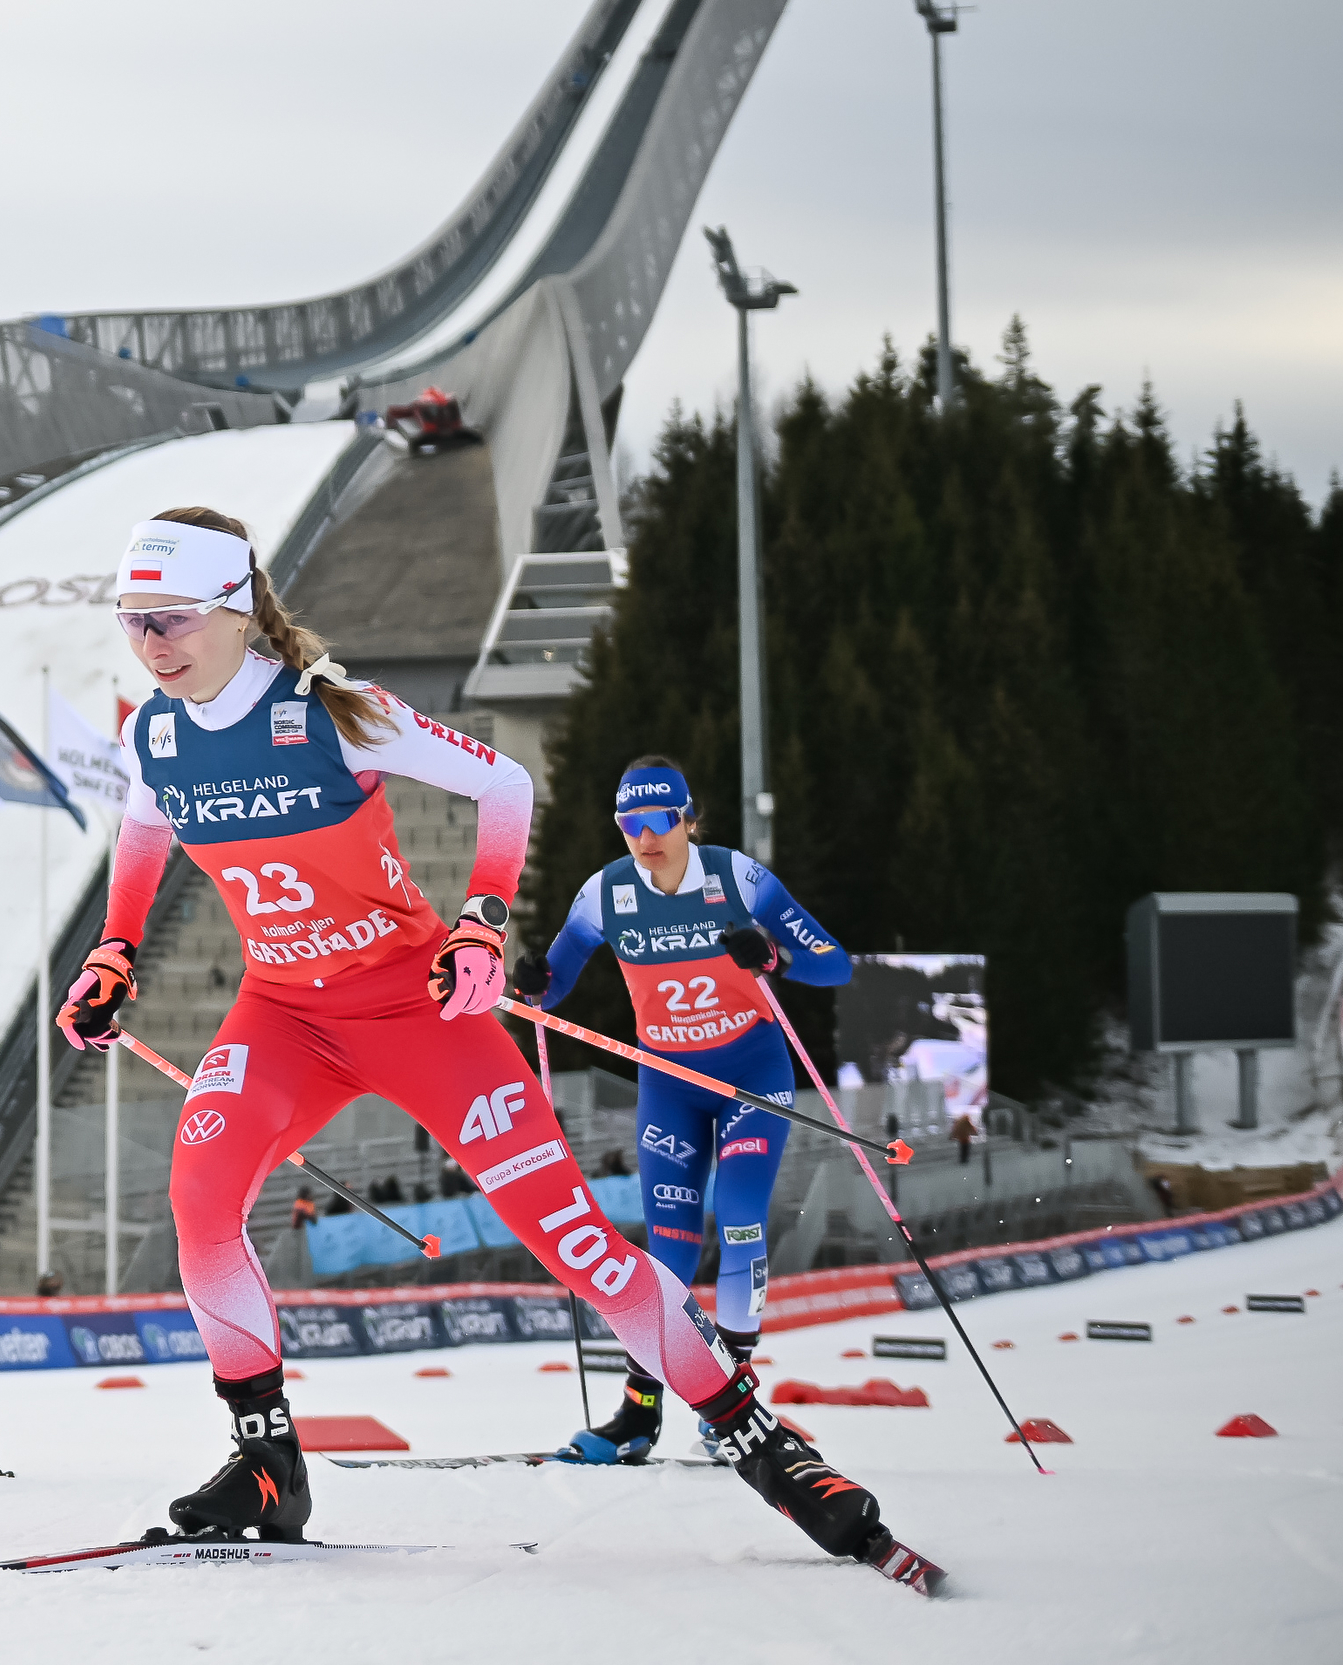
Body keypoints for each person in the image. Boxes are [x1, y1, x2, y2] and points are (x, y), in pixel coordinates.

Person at [55, 509, 897, 1567]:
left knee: (580, 1247)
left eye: (172, 619)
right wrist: (114, 951)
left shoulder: (332, 710)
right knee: (200, 1206)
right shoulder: (154, 734)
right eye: (133, 622)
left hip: (418, 1010)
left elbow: (504, 782)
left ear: (234, 610)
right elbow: (143, 830)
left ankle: (764, 1444)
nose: (151, 643)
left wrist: (482, 923)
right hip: (284, 1014)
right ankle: (267, 1460)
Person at [519, 756, 852, 1461]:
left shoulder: (737, 878)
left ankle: (732, 1406)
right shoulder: (605, 894)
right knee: (666, 1250)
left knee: (738, 1217)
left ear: (688, 820)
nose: (645, 837)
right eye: (629, 823)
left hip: (750, 1076)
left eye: (660, 820)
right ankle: (639, 1412)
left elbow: (835, 962)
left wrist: (775, 957)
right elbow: (554, 978)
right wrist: (533, 979)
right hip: (668, 1084)